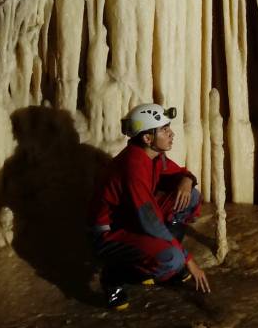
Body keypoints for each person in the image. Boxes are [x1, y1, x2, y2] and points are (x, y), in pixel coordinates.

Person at [88, 102, 212, 308]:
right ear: (147, 138)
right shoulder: (134, 166)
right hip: (109, 234)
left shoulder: (154, 157)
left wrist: (187, 180)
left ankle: (169, 265)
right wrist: (187, 259)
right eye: (164, 129)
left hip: (132, 219)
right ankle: (114, 276)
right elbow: (149, 221)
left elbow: (178, 173)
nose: (171, 134)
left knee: (190, 197)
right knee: (171, 258)